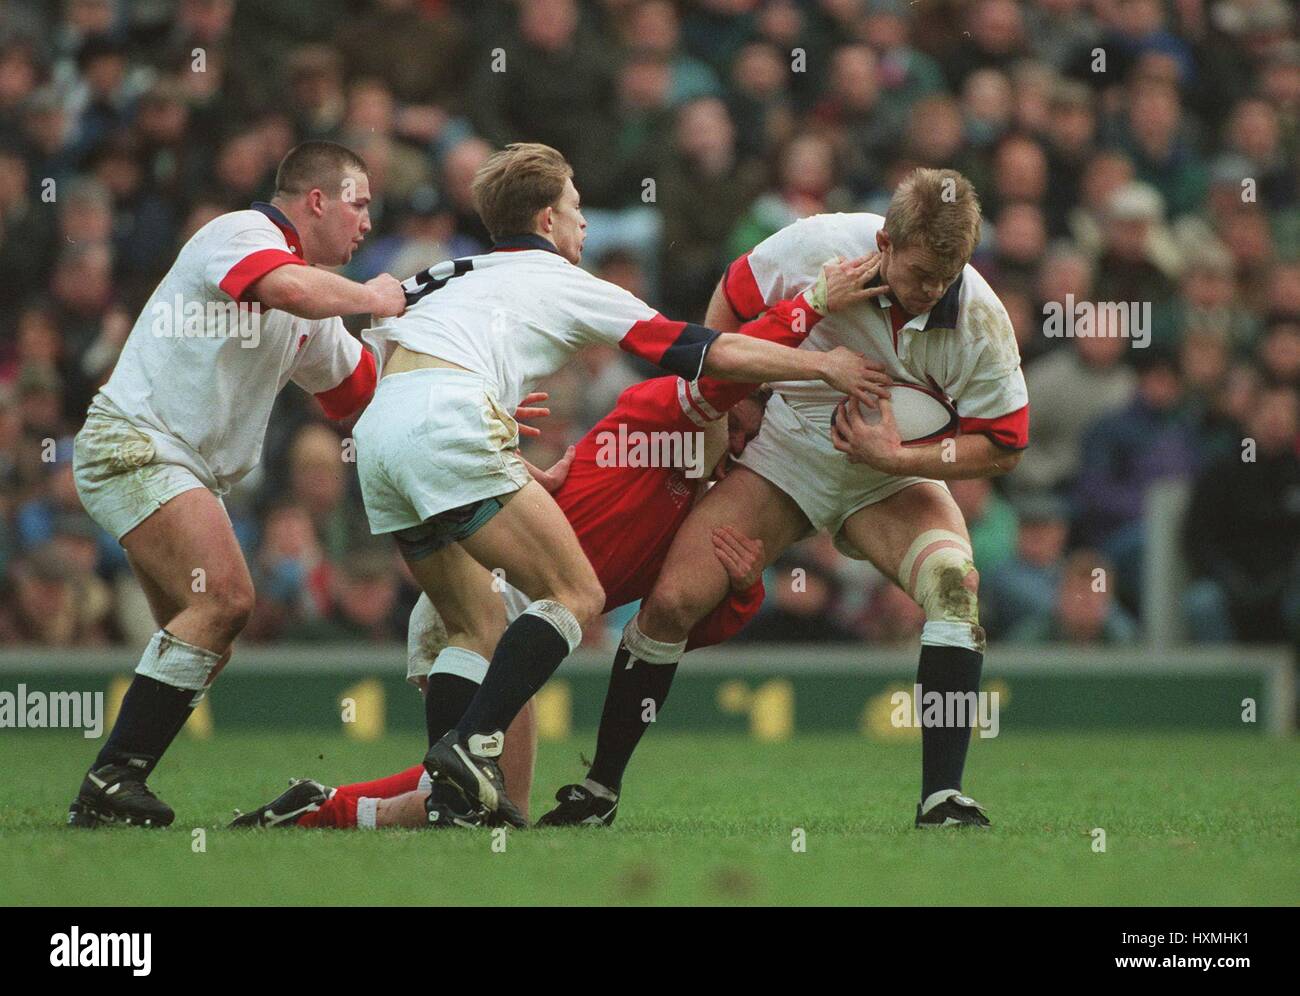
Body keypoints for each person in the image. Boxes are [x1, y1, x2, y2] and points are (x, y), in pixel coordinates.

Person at [230, 247, 884, 829]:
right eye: (750, 412)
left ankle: (327, 805)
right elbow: (715, 376)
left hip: (517, 627)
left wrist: (743, 591)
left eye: (757, 430)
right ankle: (357, 798)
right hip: (483, 603)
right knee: (471, 790)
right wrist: (811, 308)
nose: (747, 435)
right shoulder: (665, 410)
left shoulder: (704, 504)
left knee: (491, 804)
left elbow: (671, 623)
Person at [542, 167, 1029, 829]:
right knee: (675, 600)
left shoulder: (980, 319)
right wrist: (728, 404)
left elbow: (1004, 442)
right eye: (918, 275)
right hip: (786, 454)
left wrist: (900, 458)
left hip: (891, 478)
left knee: (954, 587)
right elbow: (729, 301)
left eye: (946, 279)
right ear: (884, 241)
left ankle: (942, 797)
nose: (929, 294)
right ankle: (599, 790)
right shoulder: (818, 246)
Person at [66, 141, 407, 828]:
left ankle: (111, 792)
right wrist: (375, 296)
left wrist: (458, 403)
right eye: (359, 204)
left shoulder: (313, 302)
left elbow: (365, 395)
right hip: (136, 444)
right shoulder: (239, 234)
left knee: (202, 640)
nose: (367, 222)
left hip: (176, 464)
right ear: (317, 200)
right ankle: (111, 780)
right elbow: (283, 288)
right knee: (225, 599)